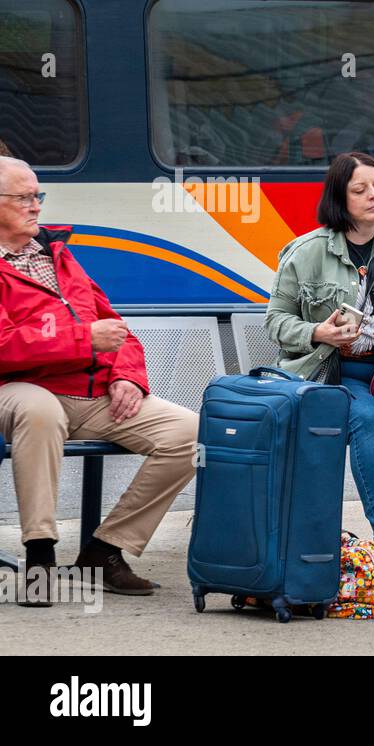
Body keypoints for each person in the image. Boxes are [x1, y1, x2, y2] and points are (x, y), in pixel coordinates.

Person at [0, 156, 199, 605]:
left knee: (188, 432)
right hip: (18, 390)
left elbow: (115, 327)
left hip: (89, 391)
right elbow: (4, 345)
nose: (36, 206)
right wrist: (81, 339)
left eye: (38, 196)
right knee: (39, 409)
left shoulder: (57, 253)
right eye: (24, 198)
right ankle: (40, 555)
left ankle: (106, 550)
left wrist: (127, 376)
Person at [265, 152, 374, 590]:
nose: (373, 196)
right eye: (360, 190)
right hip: (335, 375)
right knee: (367, 417)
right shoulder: (307, 253)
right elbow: (276, 320)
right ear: (339, 199)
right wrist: (319, 332)